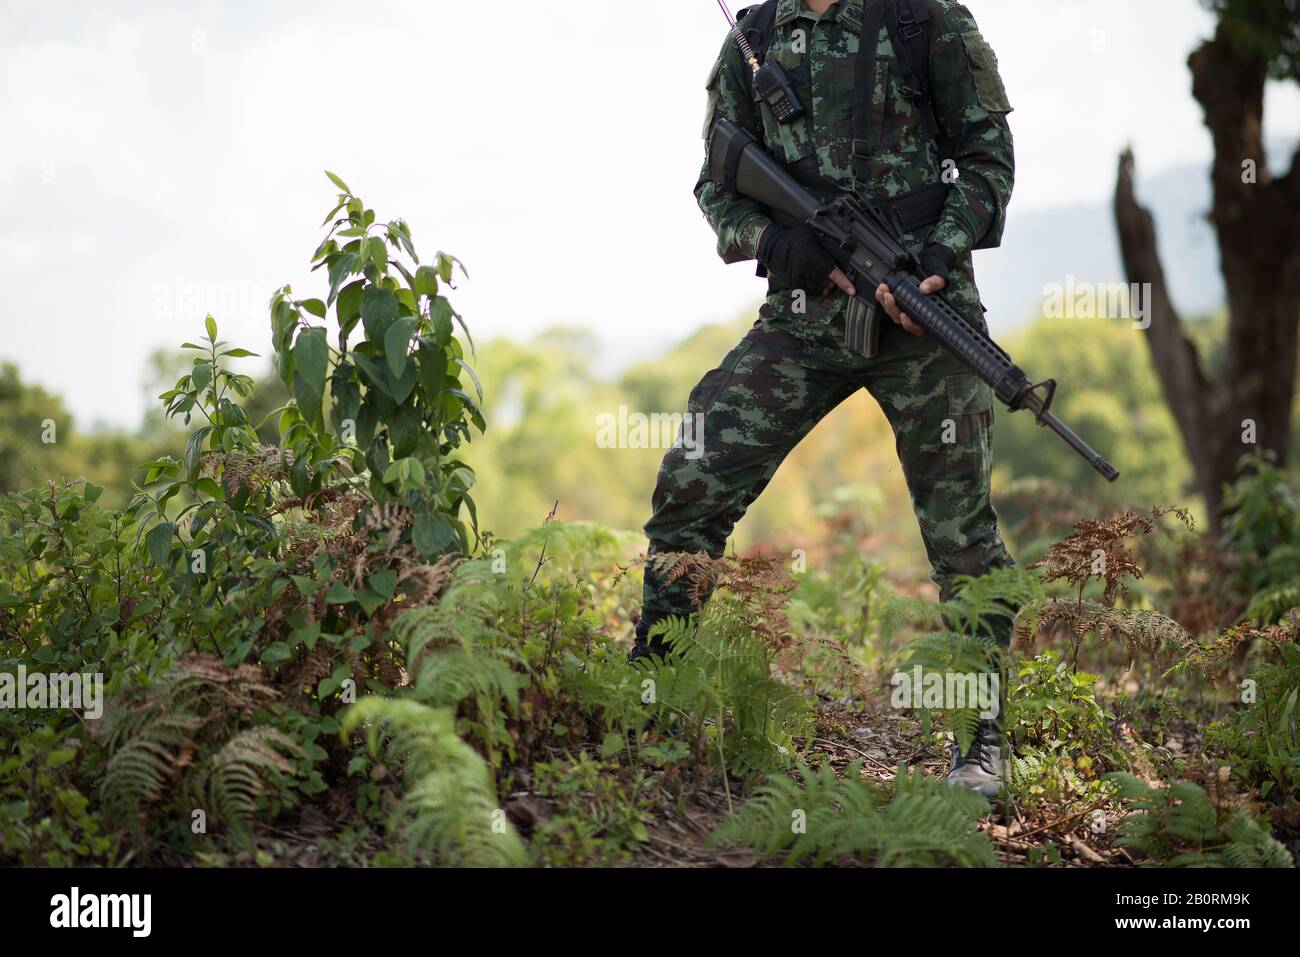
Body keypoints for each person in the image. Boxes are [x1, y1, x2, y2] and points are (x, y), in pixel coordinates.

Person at [633, 0, 1018, 798]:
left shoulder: (926, 21)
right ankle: (652, 697)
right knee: (693, 476)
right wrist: (778, 244)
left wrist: (941, 256)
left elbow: (988, 159)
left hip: (926, 315)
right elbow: (717, 185)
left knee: (963, 537)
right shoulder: (755, 38)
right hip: (803, 320)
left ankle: (982, 738)